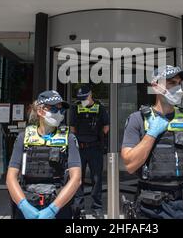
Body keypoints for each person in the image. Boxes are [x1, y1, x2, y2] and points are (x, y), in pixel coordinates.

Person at [121, 65, 183, 219]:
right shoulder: (138, 119)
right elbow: (130, 165)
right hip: (149, 207)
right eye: (171, 83)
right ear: (155, 86)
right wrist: (151, 134)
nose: (177, 88)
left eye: (179, 83)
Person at [7, 90, 82, 219]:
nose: (59, 114)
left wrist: (52, 210)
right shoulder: (24, 137)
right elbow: (11, 178)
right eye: (54, 109)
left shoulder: (68, 138)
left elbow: (76, 179)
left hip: (58, 204)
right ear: (41, 111)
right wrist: (24, 206)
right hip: (29, 200)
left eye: (62, 110)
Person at [70, 85, 110, 219]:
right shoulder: (76, 107)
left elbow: (106, 127)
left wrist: (96, 136)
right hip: (80, 148)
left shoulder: (100, 107)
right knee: (77, 178)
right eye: (81, 98)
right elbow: (72, 128)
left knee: (96, 179)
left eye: (84, 98)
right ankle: (79, 208)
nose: (83, 100)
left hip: (95, 148)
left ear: (91, 95)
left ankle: (97, 208)